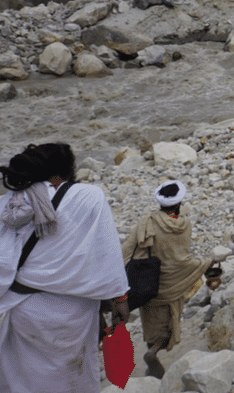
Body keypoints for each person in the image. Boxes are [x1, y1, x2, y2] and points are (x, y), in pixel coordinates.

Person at [0, 142, 130, 393]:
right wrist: (120, 297)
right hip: (72, 313)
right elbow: (107, 253)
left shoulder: (11, 202)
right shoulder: (88, 196)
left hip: (24, 308)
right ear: (61, 174)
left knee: (25, 378)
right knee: (70, 378)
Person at [122, 180, 213, 379]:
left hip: (148, 284)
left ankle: (151, 352)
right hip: (174, 283)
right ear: (179, 204)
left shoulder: (147, 222)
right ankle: (155, 351)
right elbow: (182, 258)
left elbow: (127, 250)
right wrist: (205, 264)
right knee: (169, 321)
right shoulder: (185, 225)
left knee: (151, 323)